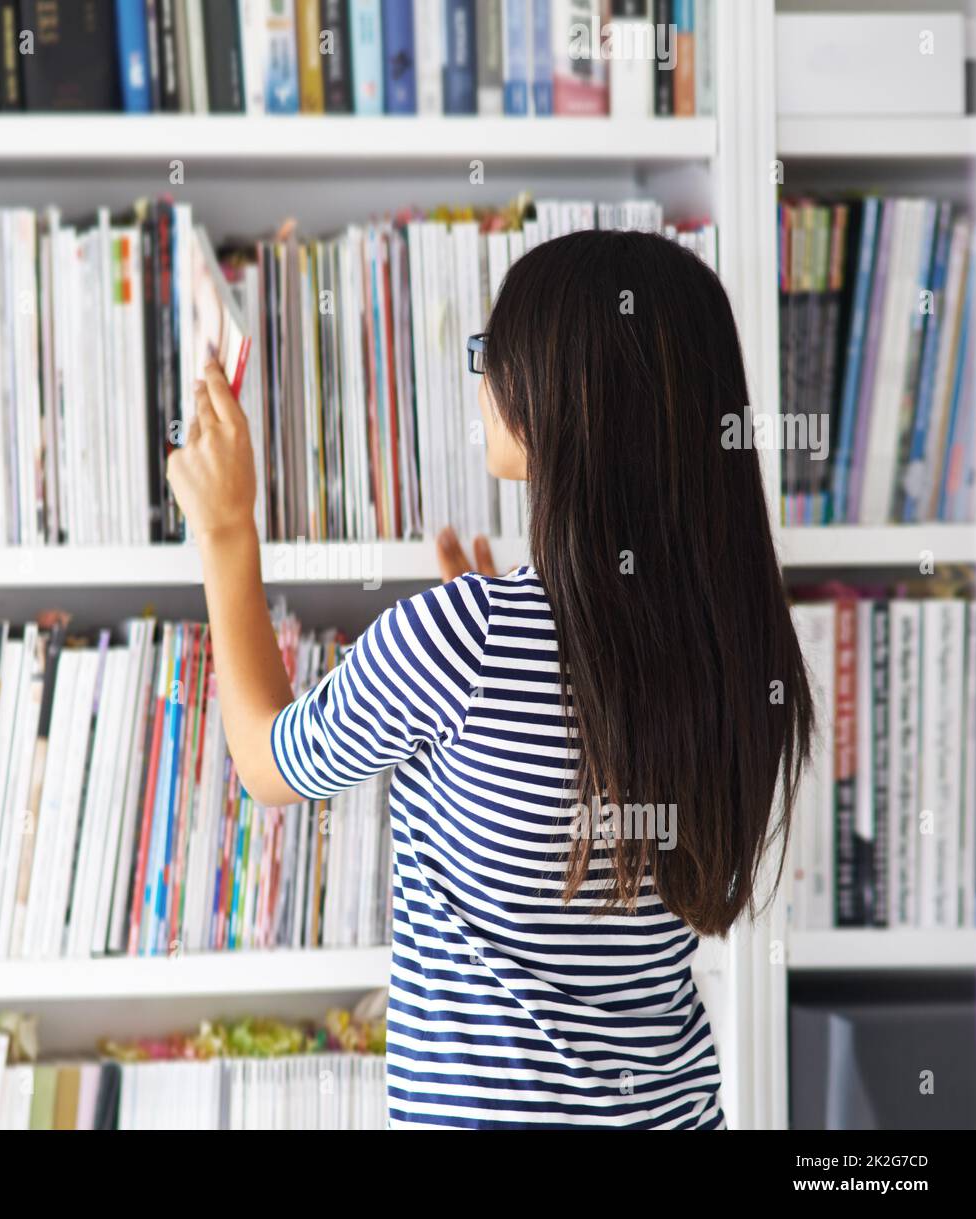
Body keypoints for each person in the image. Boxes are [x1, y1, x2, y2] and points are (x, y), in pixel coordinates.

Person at [166, 229, 813, 1129]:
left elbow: (266, 761)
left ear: (560, 396)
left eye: (490, 352)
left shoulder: (463, 639)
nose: (482, 376)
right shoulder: (744, 641)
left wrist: (227, 531)